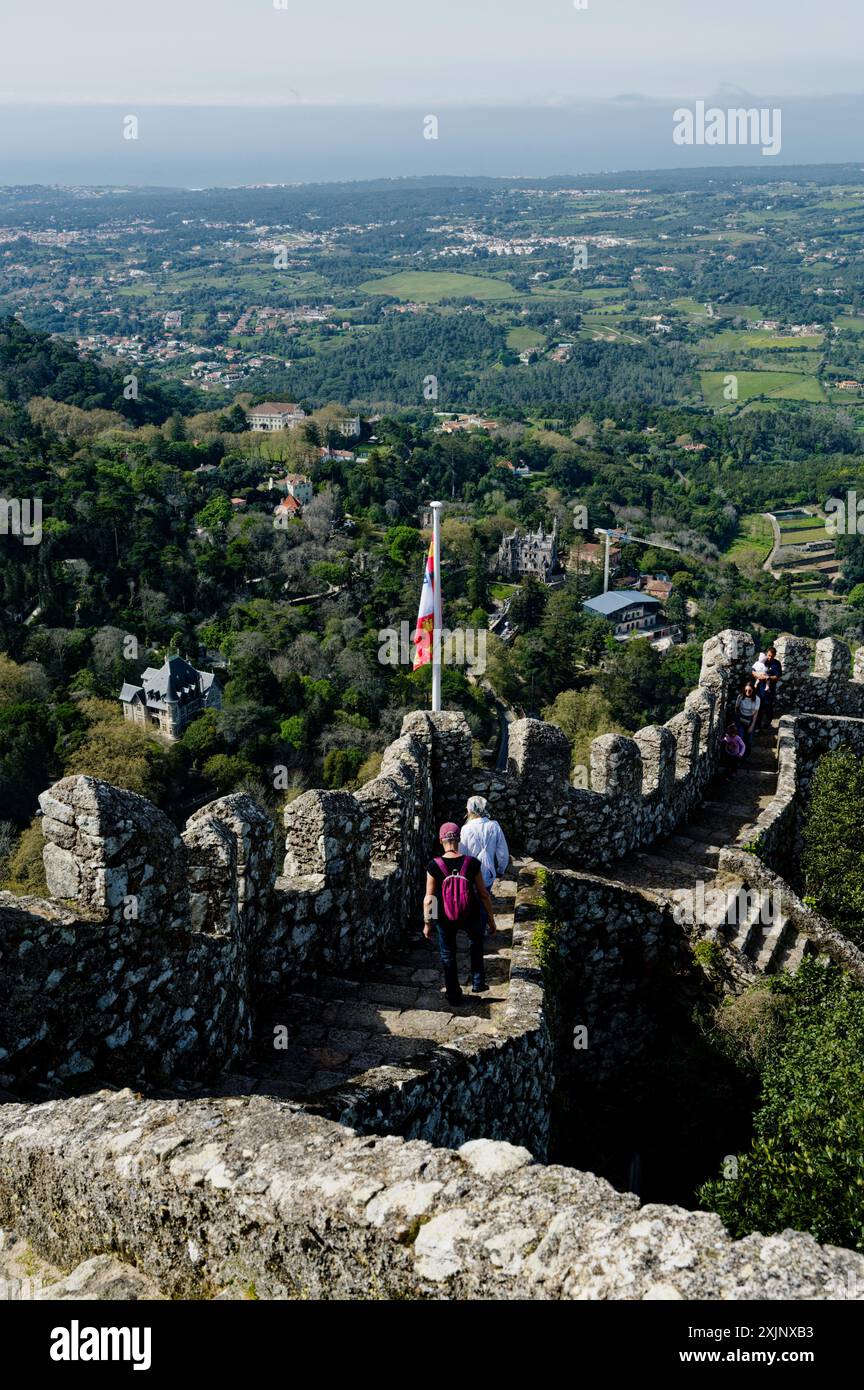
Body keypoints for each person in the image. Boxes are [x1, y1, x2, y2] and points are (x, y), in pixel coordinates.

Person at [424, 823, 497, 1004]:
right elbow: (483, 894)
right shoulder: (471, 863)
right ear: (459, 840)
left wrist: (428, 924)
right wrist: (491, 919)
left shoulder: (434, 865)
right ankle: (478, 982)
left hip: (444, 917)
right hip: (470, 912)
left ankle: (453, 994)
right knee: (476, 943)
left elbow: (429, 899)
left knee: (448, 953)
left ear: (441, 840)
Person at [459, 795, 509, 932]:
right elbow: (503, 852)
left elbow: (462, 852)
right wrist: (501, 869)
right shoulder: (494, 826)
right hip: (489, 871)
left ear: (470, 810)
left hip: (470, 871)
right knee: (484, 896)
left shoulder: (466, 829)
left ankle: (475, 928)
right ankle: (481, 927)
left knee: (473, 899)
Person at [754, 645, 782, 730]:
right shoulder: (762, 660)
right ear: (767, 654)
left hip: (770, 690)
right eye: (769, 655)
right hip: (759, 689)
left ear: (775, 656)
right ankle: (757, 726)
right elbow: (753, 671)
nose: (770, 658)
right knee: (759, 708)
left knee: (769, 707)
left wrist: (768, 678)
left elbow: (777, 676)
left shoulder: (776, 664)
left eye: (772, 656)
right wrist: (758, 676)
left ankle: (767, 724)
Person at [735, 681, 760, 755]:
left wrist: (752, 726)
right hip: (741, 718)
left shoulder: (757, 699)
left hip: (750, 719)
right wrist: (736, 721)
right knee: (741, 738)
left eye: (749, 690)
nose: (747, 692)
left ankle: (746, 755)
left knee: (749, 740)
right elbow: (736, 708)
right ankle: (739, 755)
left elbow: (755, 714)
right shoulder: (740, 697)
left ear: (753, 690)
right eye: (746, 690)